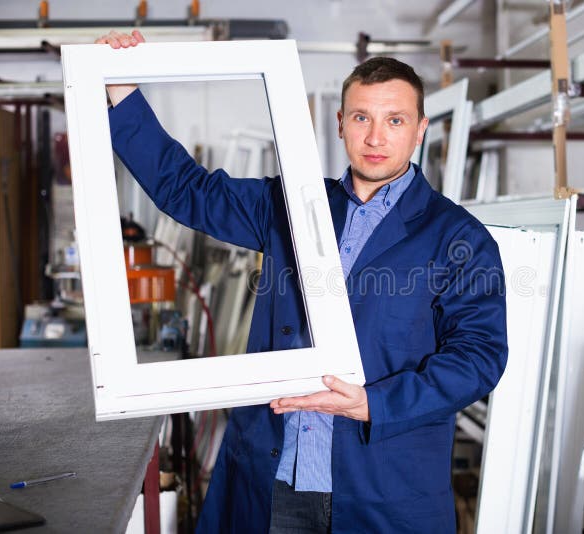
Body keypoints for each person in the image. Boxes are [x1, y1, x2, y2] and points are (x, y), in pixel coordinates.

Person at [98, 30, 508, 533]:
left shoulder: (456, 237)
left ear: (420, 129)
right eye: (362, 118)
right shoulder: (291, 206)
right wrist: (121, 89)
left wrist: (373, 404)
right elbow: (187, 191)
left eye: (394, 120)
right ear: (340, 124)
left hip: (382, 490)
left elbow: (479, 357)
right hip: (274, 478)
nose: (376, 138)